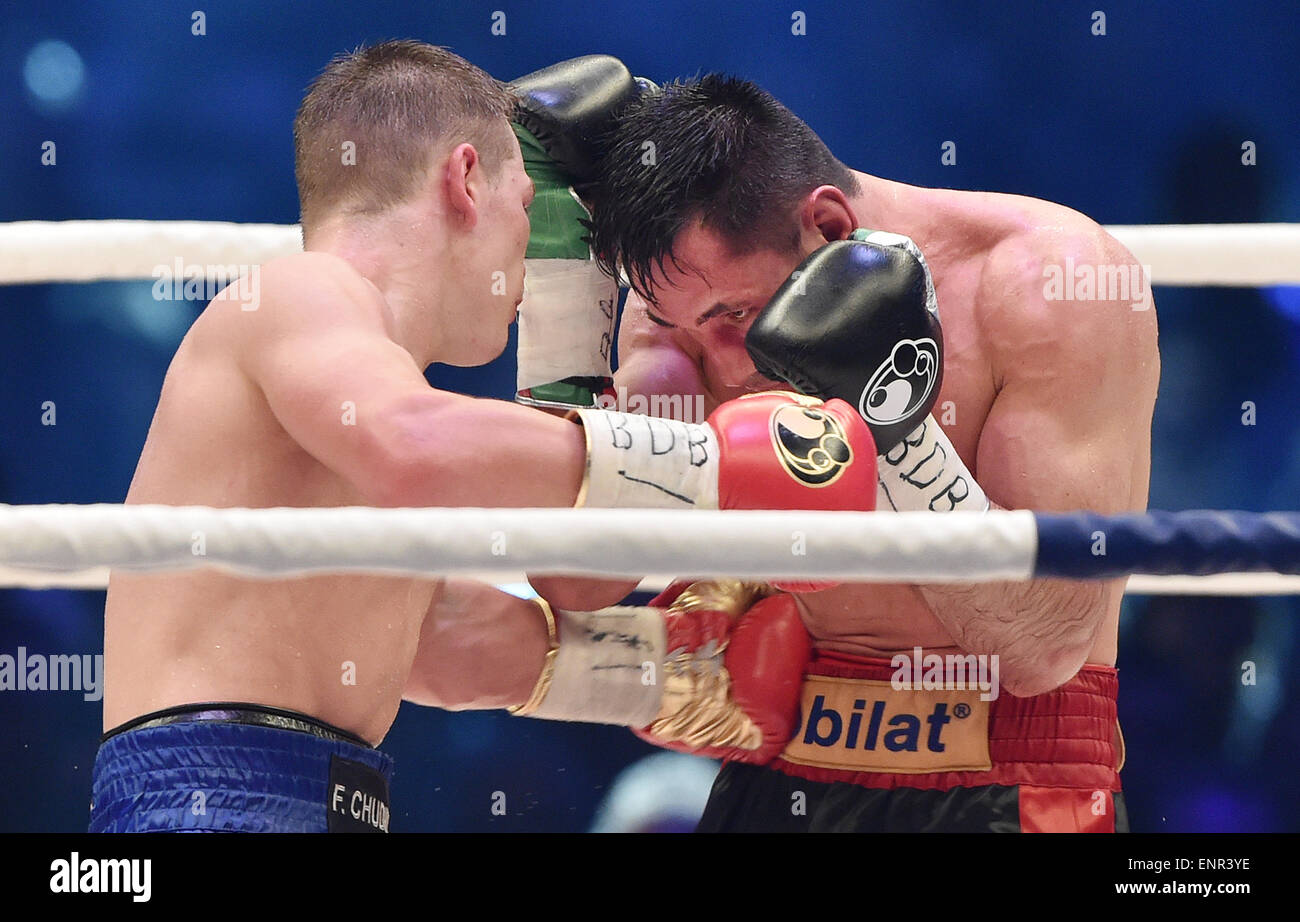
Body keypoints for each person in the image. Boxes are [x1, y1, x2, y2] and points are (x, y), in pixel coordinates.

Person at [90, 46, 881, 833]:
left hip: (320, 797)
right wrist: (711, 467)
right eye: (532, 209)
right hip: (211, 797)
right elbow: (412, 445)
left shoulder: (356, 397)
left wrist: (663, 670)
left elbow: (437, 641)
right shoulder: (300, 292)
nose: (535, 259)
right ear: (465, 179)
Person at [445, 71, 1157, 833]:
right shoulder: (682, 312)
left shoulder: (1044, 286)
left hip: (1012, 775)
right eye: (679, 321)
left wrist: (897, 436)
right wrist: (563, 283)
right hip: (790, 771)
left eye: (738, 314)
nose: (721, 361)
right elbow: (576, 580)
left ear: (829, 227)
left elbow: (1043, 648)